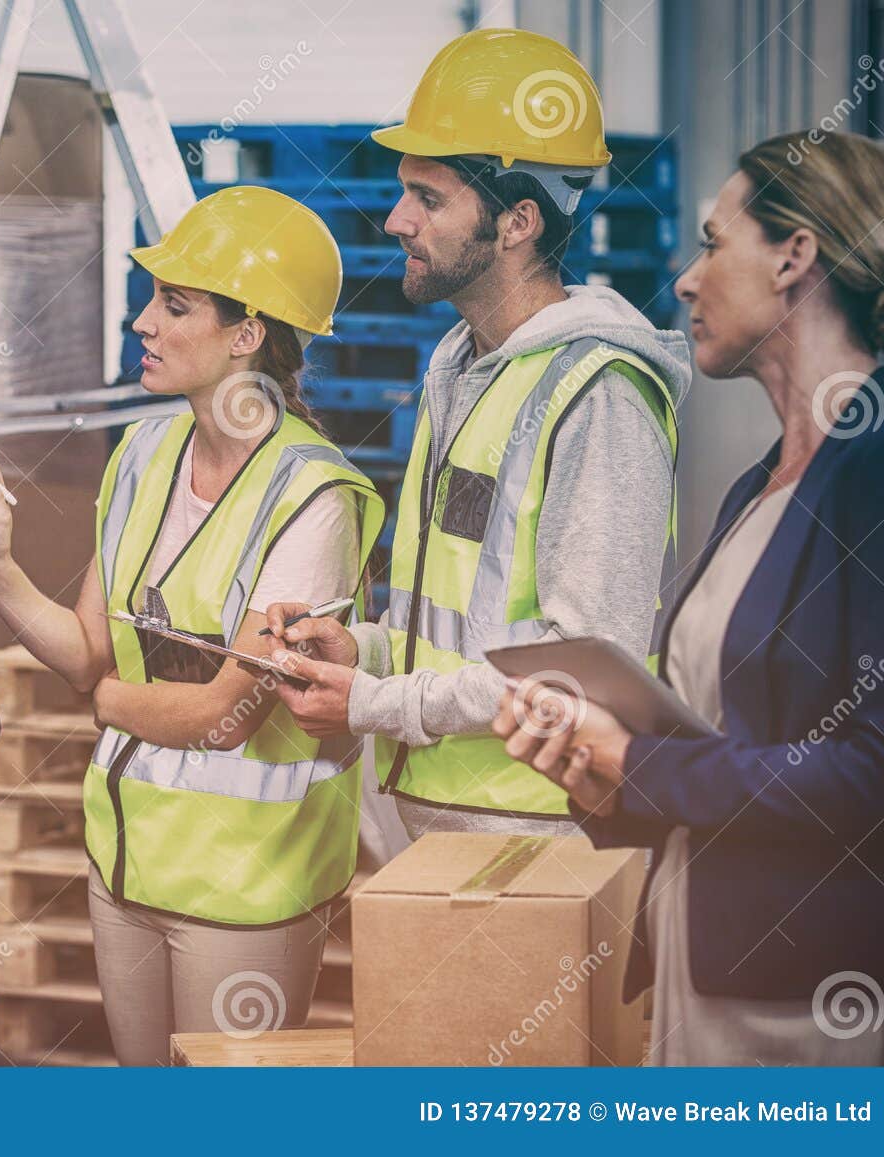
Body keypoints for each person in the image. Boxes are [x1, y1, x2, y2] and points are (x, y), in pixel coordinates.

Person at [0, 186, 384, 1066]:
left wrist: (106, 701)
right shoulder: (145, 455)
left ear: (247, 333)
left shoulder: (315, 499)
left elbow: (231, 713)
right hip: (126, 861)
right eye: (153, 299)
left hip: (252, 881)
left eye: (175, 305)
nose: (143, 323)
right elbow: (85, 649)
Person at [496, 130, 884, 1065]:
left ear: (795, 256)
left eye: (714, 243)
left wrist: (637, 759)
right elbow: (731, 747)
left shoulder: (882, 476)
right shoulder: (757, 488)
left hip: (812, 1009)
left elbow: (879, 775)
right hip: (699, 964)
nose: (684, 280)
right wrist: (598, 776)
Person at [265, 28, 691, 840]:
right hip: (436, 809)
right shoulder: (457, 368)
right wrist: (366, 651)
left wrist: (374, 704)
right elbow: (468, 621)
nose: (396, 220)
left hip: (533, 827)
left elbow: (579, 662)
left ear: (517, 220)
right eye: (404, 193)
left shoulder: (598, 391)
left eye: (429, 198)